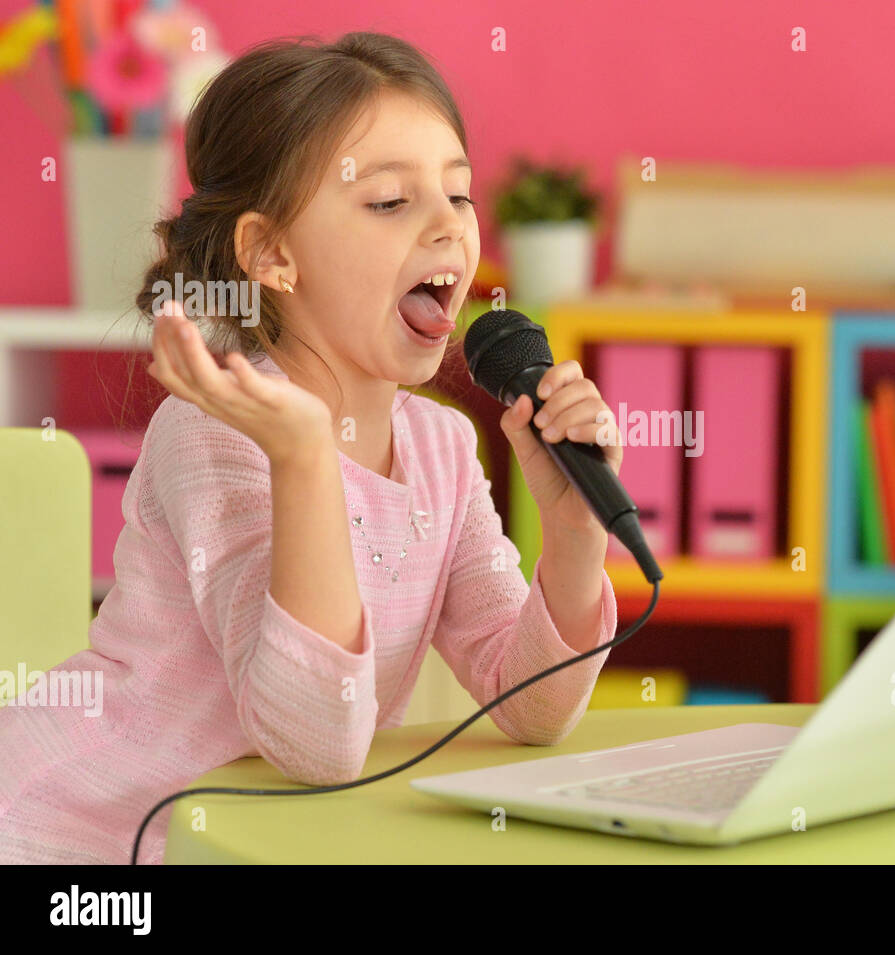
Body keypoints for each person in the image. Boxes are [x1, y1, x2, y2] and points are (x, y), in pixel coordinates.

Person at [0, 32, 621, 864]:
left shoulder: (442, 445)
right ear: (273, 254)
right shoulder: (219, 435)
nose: (448, 228)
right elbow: (316, 746)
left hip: (242, 841)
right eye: (391, 202)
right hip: (74, 835)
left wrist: (577, 532)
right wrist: (302, 458)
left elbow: (530, 708)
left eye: (460, 196)